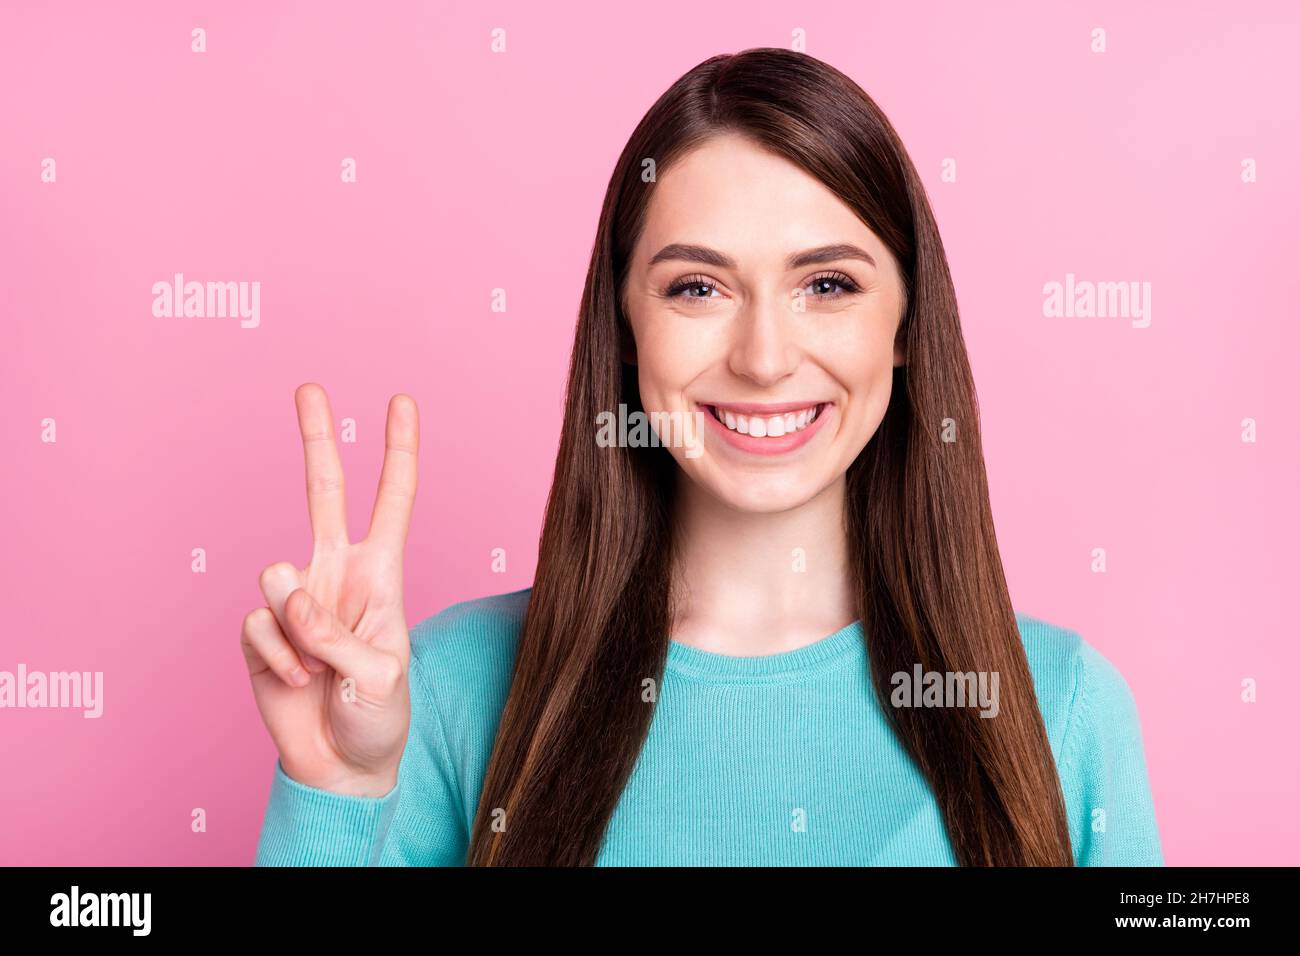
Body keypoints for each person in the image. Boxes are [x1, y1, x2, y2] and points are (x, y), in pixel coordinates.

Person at [243, 47, 1163, 867]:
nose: (763, 358)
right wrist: (336, 790)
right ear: (625, 327)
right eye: (697, 287)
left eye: (827, 284)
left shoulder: (1064, 709)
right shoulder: (444, 691)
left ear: (906, 326)